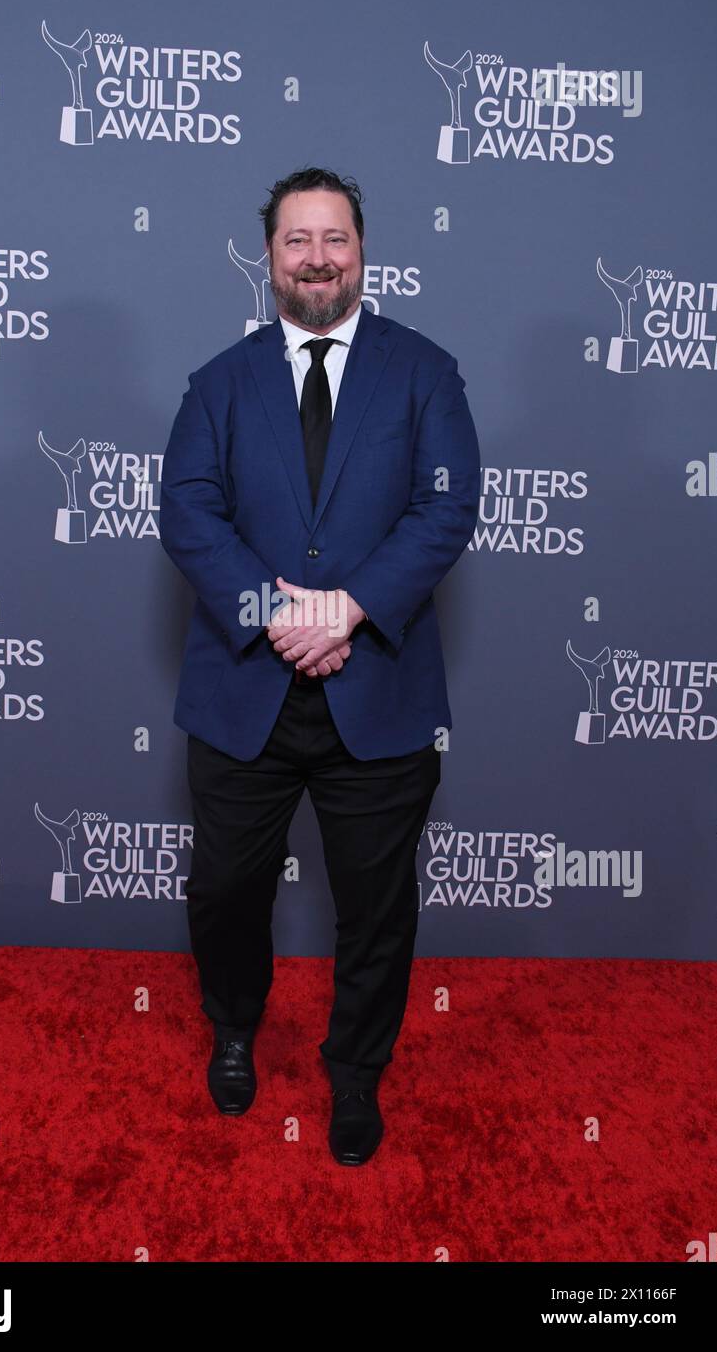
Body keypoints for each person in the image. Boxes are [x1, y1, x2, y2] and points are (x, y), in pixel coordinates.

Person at [159, 167, 480, 1165]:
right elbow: (187, 511)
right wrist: (271, 613)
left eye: (332, 238)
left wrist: (346, 608)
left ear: (361, 251)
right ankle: (235, 1027)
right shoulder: (217, 383)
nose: (314, 258)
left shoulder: (424, 373)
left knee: (377, 907)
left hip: (374, 691)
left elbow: (445, 505)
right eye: (295, 240)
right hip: (243, 691)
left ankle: (353, 1073)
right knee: (223, 890)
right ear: (268, 257)